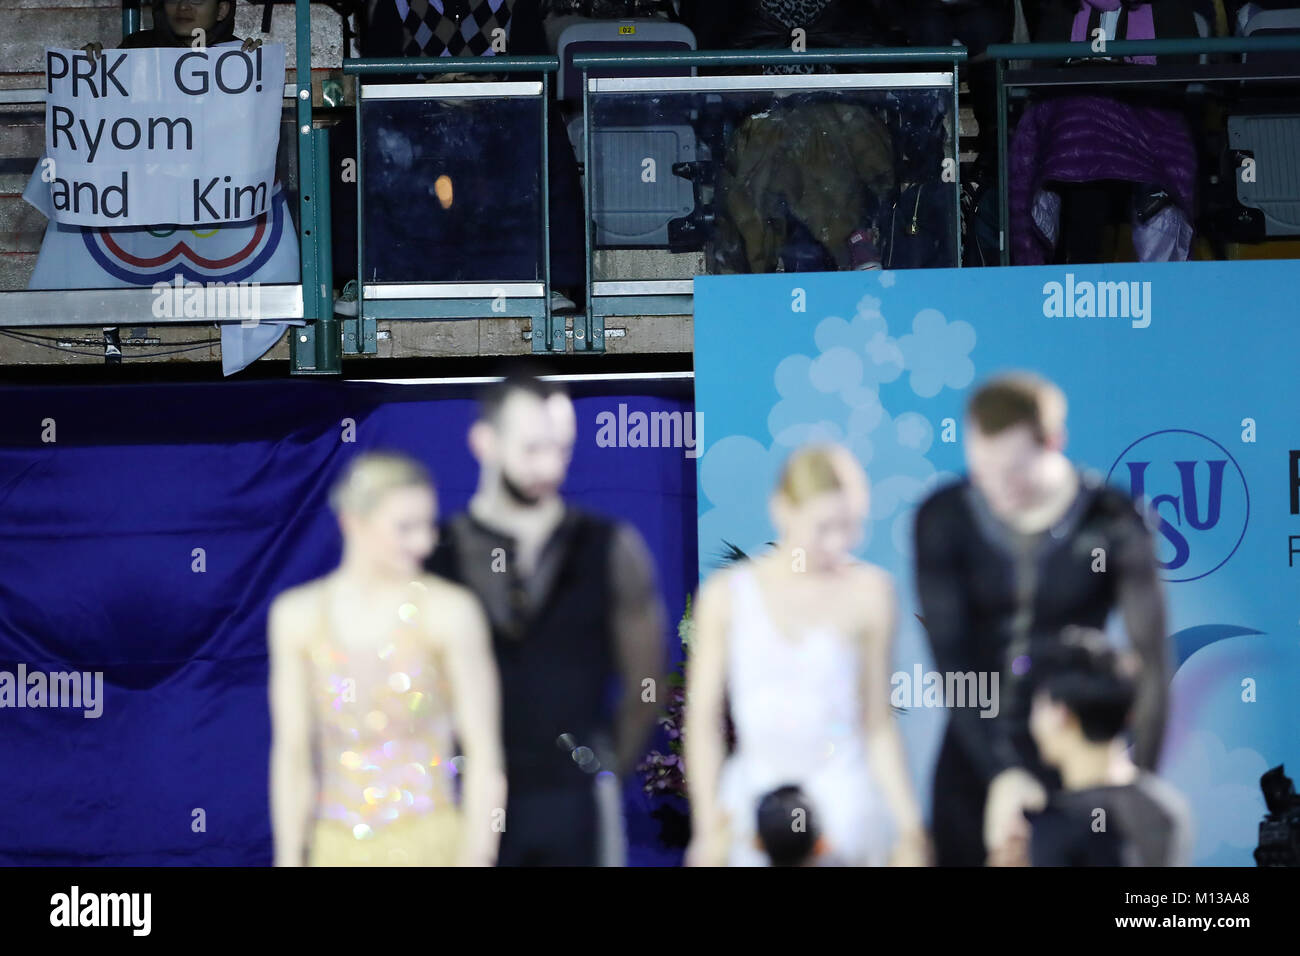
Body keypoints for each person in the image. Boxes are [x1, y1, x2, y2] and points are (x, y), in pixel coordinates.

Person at [913, 372, 1170, 867]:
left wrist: (1139, 787)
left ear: (1054, 442)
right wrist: (1001, 774)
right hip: (971, 759)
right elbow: (953, 659)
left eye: (1013, 471)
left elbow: (1152, 664)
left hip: (1076, 762)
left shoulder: (1114, 521)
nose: (996, 488)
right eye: (982, 470)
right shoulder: (943, 517)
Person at [423, 372, 668, 866]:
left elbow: (647, 684)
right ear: (484, 442)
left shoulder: (611, 548)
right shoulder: (435, 559)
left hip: (574, 803)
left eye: (561, 449)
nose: (550, 466)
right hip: (464, 801)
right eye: (533, 449)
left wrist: (601, 770)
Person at [685, 443, 929, 867]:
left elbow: (877, 724)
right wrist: (709, 827)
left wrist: (910, 830)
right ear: (782, 510)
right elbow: (702, 722)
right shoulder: (727, 596)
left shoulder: (872, 593)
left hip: (846, 806)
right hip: (752, 804)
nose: (837, 542)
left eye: (850, 526)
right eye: (824, 527)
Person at [268, 452, 505, 866]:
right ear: (353, 522)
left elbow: (484, 754)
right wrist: (289, 859)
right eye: (405, 528)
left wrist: (478, 857)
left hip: (431, 845)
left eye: (428, 525)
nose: (425, 542)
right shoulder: (296, 617)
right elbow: (292, 755)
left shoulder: (450, 611)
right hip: (334, 848)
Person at [1022, 626, 1192, 866]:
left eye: (1038, 706)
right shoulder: (1165, 810)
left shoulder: (1056, 827)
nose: (1033, 722)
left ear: (1060, 715)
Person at [83, 0, 262, 57]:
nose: (183, 6)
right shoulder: (135, 50)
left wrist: (259, 68)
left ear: (221, 10)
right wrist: (88, 69)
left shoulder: (238, 56)